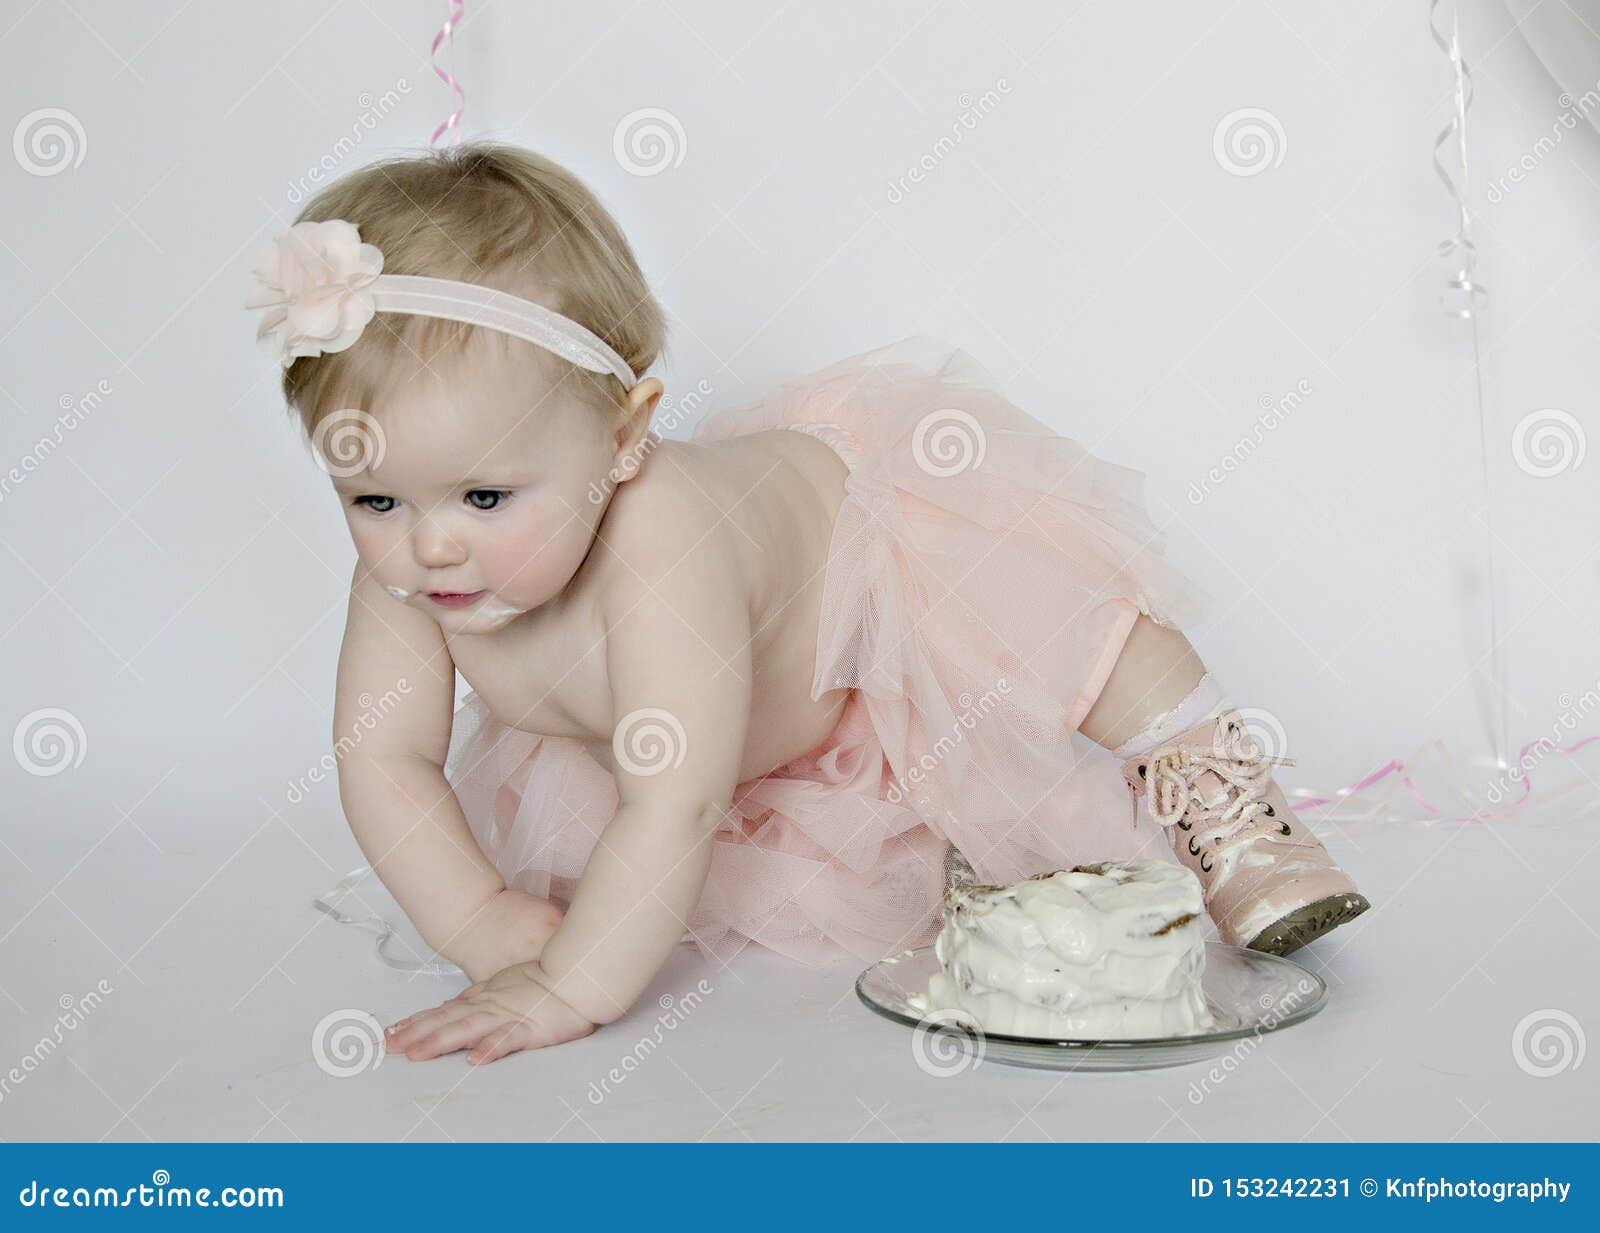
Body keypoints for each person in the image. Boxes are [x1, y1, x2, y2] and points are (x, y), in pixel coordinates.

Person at [246, 140, 1368, 1065]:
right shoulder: (411, 570)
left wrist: (569, 988)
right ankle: (959, 834)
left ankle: (1219, 789)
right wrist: (482, 925)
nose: (432, 543)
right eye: (373, 494)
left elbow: (674, 805)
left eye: (487, 493)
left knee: (1038, 615)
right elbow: (382, 758)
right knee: (898, 837)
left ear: (625, 437)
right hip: (751, 726)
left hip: (860, 550)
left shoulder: (659, 545)